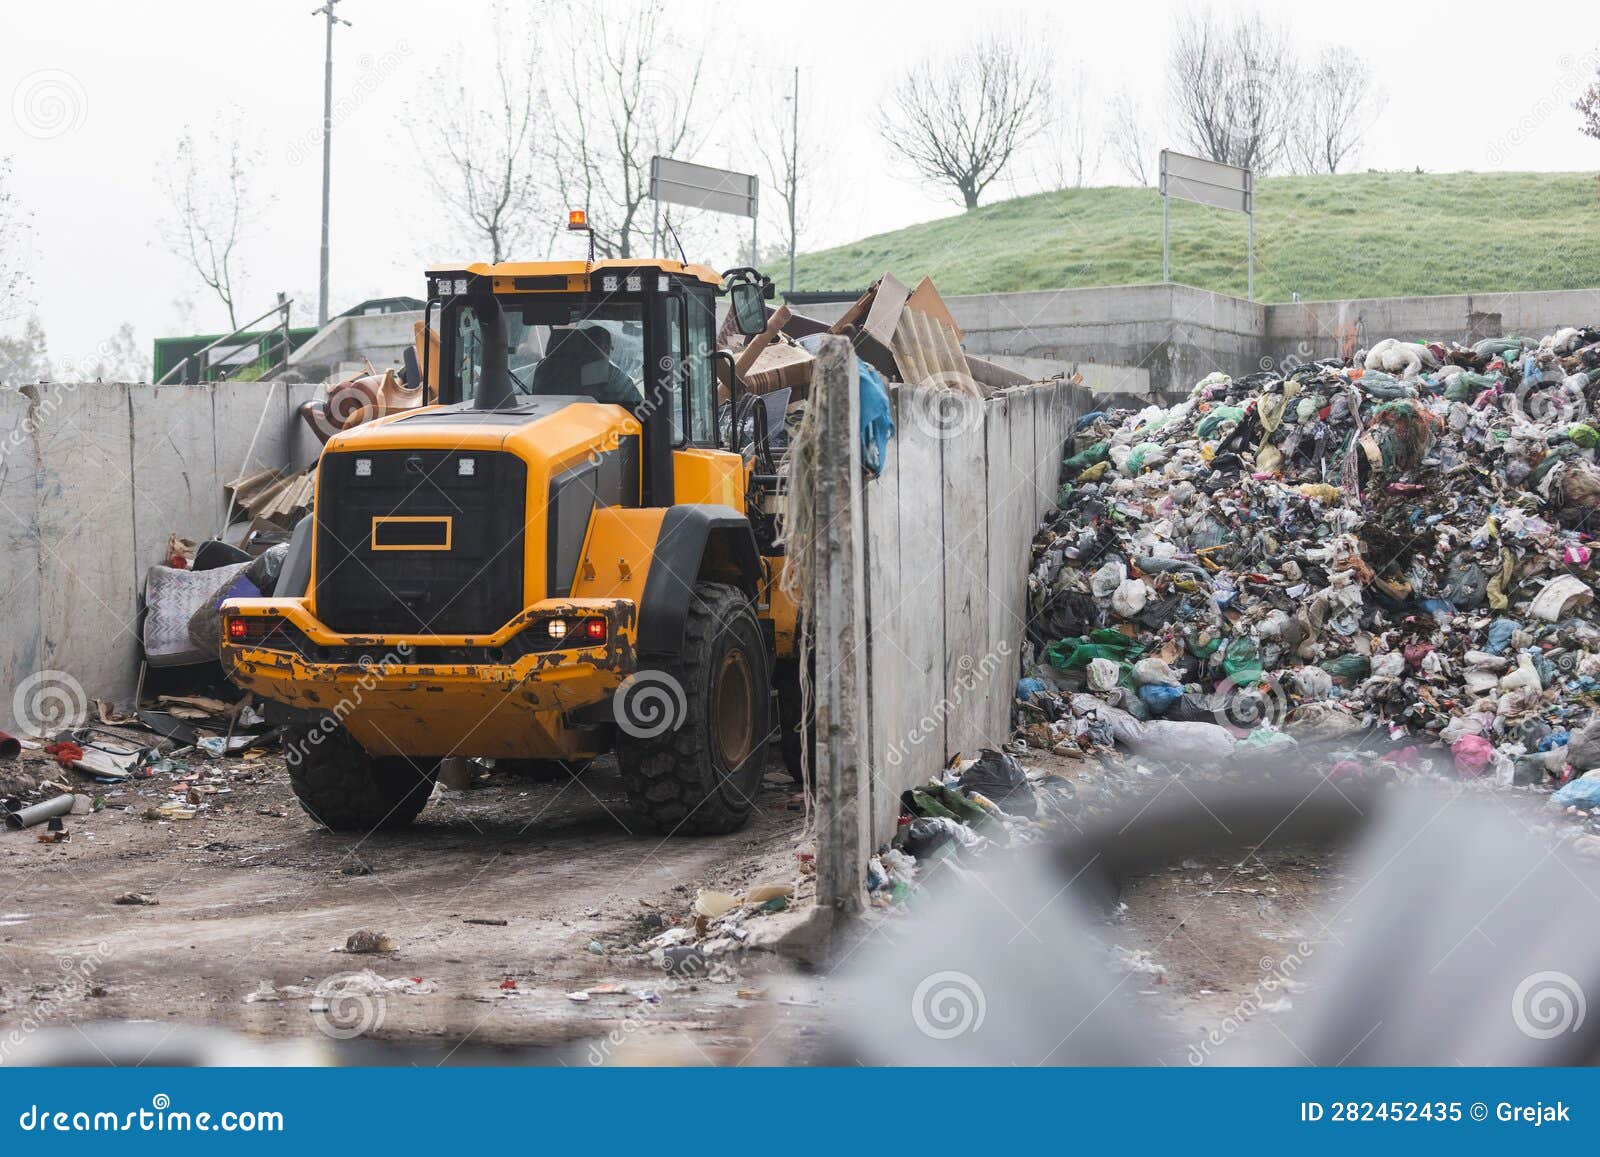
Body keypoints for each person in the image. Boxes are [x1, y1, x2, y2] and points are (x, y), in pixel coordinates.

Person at [531, 324, 640, 404]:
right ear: (604, 347)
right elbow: (635, 402)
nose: (608, 353)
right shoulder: (606, 371)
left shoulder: (545, 367)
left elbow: (537, 397)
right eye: (607, 348)